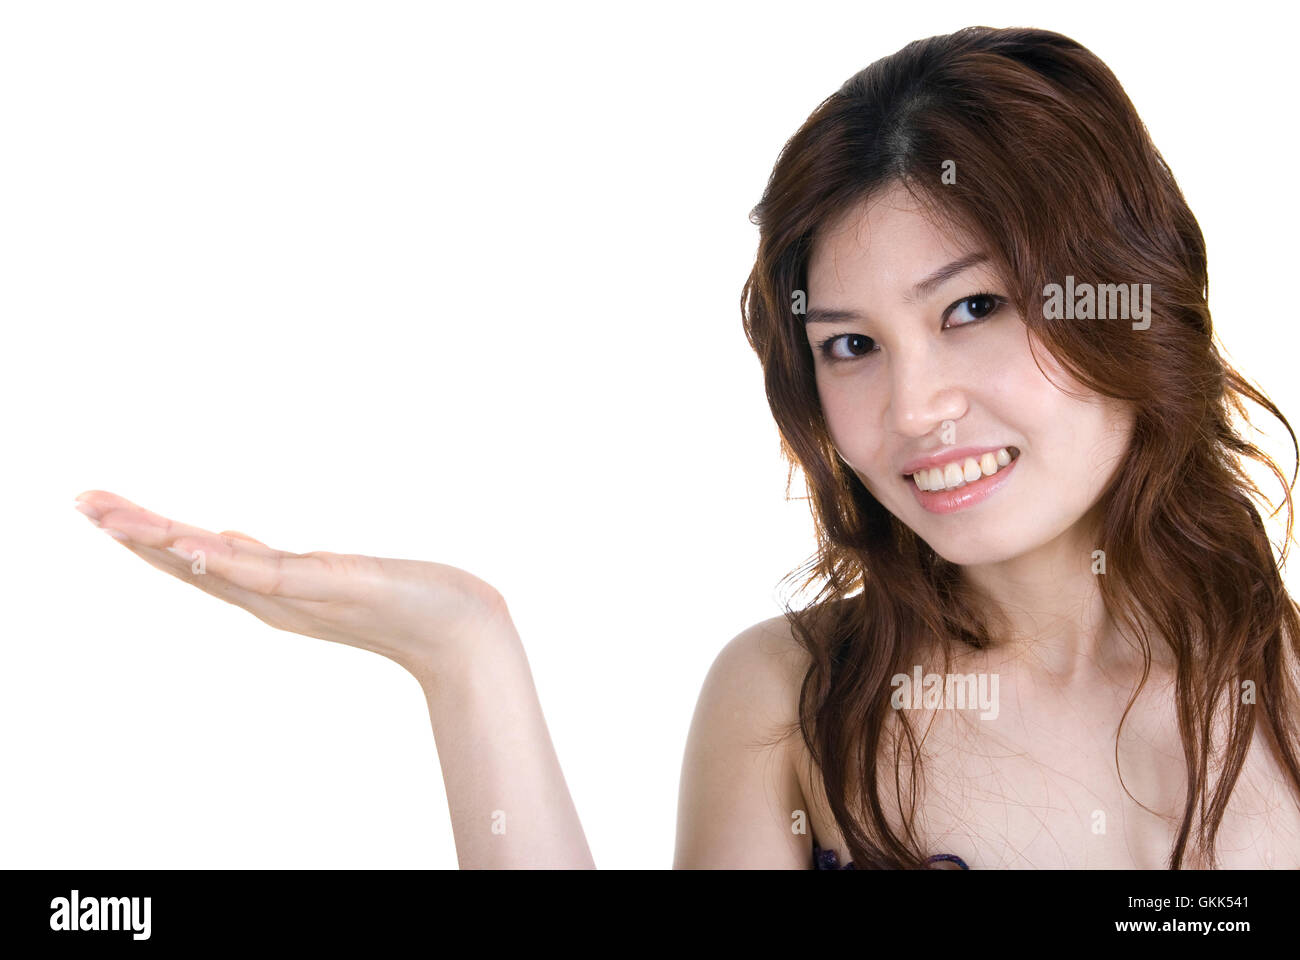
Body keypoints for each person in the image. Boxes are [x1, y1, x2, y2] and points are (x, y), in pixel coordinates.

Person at [74, 25, 1300, 869]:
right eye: (850, 346)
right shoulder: (795, 703)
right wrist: (463, 654)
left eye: (971, 310)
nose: (914, 407)